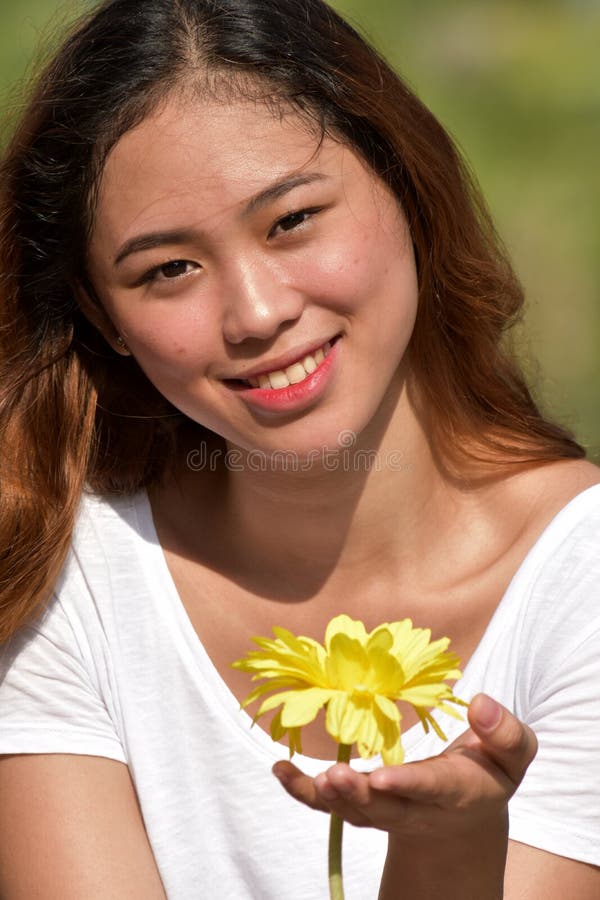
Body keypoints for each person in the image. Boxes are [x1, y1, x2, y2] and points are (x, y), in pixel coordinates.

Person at [0, 0, 598, 897]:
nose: (256, 313)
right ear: (103, 318)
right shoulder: (60, 568)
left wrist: (448, 851)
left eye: (290, 221)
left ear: (407, 189)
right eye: (169, 270)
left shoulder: (581, 583)